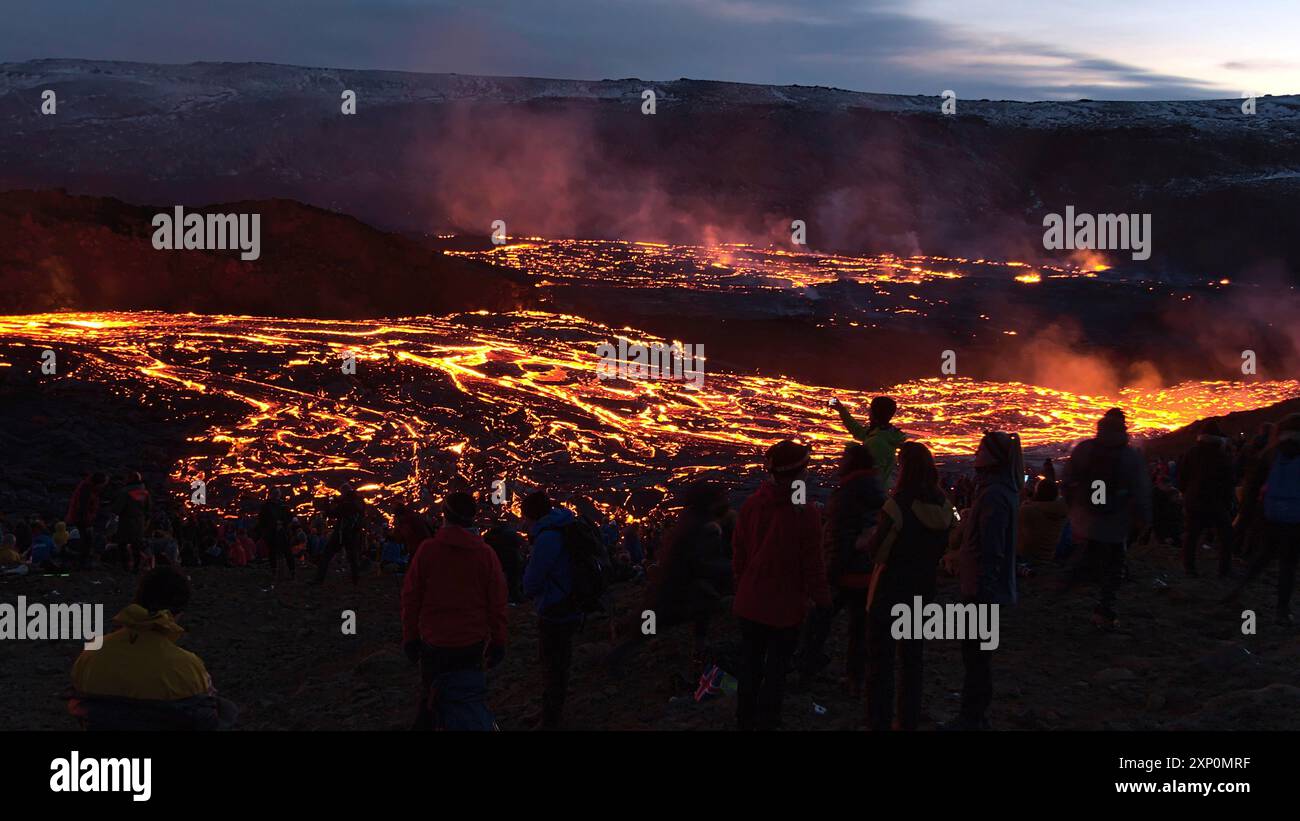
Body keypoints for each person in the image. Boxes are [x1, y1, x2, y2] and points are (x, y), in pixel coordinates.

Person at [732, 439, 830, 730]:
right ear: (799, 473)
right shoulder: (805, 514)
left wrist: (742, 587)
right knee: (776, 669)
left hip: (750, 602)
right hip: (784, 609)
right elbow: (813, 564)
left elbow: (739, 554)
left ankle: (744, 719)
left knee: (750, 664)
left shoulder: (752, 505)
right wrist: (823, 600)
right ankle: (768, 720)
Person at [68, 566, 238, 730]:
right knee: (225, 710)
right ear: (179, 613)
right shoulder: (187, 666)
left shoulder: (91, 654)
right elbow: (202, 717)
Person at [863, 441, 955, 730]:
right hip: (923, 591)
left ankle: (878, 721)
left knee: (881, 663)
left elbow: (878, 552)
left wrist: (866, 541)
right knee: (912, 661)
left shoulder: (897, 506)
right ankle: (907, 720)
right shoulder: (945, 507)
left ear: (904, 468)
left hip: (889, 593)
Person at [401, 492, 508, 731]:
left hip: (435, 641)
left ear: (445, 516)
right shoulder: (485, 554)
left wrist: (410, 637)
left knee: (431, 696)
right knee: (466, 694)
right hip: (471, 642)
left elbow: (411, 598)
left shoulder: (428, 551)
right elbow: (497, 602)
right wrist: (499, 640)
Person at [947, 431, 1022, 730]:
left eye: (980, 448)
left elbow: (992, 549)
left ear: (992, 457)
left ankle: (972, 719)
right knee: (977, 656)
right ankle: (975, 716)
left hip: (981, 590)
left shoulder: (994, 495)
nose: (975, 452)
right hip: (982, 587)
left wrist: (982, 591)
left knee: (975, 658)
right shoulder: (998, 491)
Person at [796, 443, 885, 695]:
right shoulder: (876, 489)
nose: (839, 462)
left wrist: (830, 572)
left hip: (844, 572)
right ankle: (855, 678)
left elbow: (839, 538)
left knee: (818, 621)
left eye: (843, 458)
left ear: (853, 462)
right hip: (867, 572)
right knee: (859, 629)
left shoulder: (848, 492)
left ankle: (806, 670)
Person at [1060, 408, 1152, 629]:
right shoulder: (1130, 456)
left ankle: (1062, 591)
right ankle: (1104, 610)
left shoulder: (1084, 449)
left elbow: (1067, 480)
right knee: (1114, 565)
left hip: (1086, 518)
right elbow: (1141, 491)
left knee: (1086, 555)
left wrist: (1074, 508)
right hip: (1115, 521)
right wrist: (1144, 520)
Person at [521, 489, 582, 729]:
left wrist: (527, 588)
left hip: (555, 607)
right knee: (557, 662)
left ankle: (551, 718)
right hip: (568, 602)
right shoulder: (562, 526)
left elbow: (533, 580)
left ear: (531, 514)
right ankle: (549, 711)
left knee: (552, 664)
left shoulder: (547, 537)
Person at [1234, 414, 1300, 624]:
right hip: (1296, 519)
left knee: (1263, 555)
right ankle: (1282, 610)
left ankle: (1239, 589)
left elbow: (1253, 486)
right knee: (1288, 564)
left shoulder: (1271, 453)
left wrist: (1246, 515)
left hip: (1270, 515)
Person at [1177, 419, 1235, 577]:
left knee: (1192, 534)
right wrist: (1228, 500)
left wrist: (1185, 493)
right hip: (1216, 501)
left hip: (1194, 499)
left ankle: (1189, 567)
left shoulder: (1191, 453)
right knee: (1225, 535)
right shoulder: (1222, 455)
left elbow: (1182, 476)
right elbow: (1229, 480)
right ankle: (1224, 569)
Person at [831, 395, 908, 490]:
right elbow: (857, 430)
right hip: (879, 490)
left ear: (874, 413)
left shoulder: (876, 441)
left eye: (870, 409)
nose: (868, 412)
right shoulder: (884, 434)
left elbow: (873, 474)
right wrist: (841, 409)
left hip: (871, 493)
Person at [312, 487, 368, 585]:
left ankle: (319, 579)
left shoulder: (346, 505)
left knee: (326, 555)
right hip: (354, 534)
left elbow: (332, 514)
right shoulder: (358, 503)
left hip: (341, 534)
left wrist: (326, 504)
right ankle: (356, 580)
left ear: (345, 493)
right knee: (353, 558)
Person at [1016, 460, 1068, 563]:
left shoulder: (1028, 511)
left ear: (1037, 494)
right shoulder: (1062, 510)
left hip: (1027, 559)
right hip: (1049, 556)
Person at [112, 473, 152, 572]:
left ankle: (125, 566)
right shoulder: (145, 493)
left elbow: (117, 509)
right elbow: (148, 508)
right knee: (136, 545)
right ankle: (136, 566)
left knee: (122, 544)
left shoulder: (125, 492)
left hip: (125, 522)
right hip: (139, 522)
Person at [67, 472, 107, 568]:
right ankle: (82, 563)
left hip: (82, 518)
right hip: (82, 519)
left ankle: (82, 562)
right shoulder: (87, 489)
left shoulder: (88, 487)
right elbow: (83, 507)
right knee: (87, 540)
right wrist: (87, 522)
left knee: (86, 540)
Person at [257, 488, 295, 581]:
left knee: (287, 551)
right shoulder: (267, 506)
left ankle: (291, 571)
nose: (276, 495)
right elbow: (262, 519)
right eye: (275, 493)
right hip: (271, 532)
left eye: (277, 493)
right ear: (271, 494)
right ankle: (275, 571)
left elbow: (290, 517)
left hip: (282, 531)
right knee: (273, 552)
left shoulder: (283, 505)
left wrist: (283, 524)